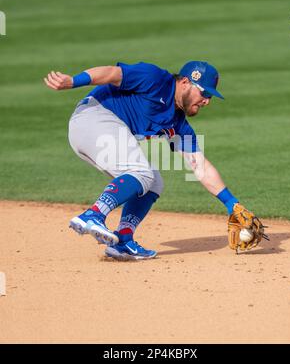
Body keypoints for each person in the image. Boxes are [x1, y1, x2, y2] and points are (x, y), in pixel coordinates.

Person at [44, 61, 266, 260]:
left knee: (154, 181)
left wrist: (232, 204)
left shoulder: (179, 125)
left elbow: (200, 166)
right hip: (93, 118)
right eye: (204, 93)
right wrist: (73, 81)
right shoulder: (155, 78)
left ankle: (122, 240)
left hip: (100, 132)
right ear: (186, 82)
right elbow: (112, 73)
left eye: (210, 96)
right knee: (141, 173)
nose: (207, 101)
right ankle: (94, 214)